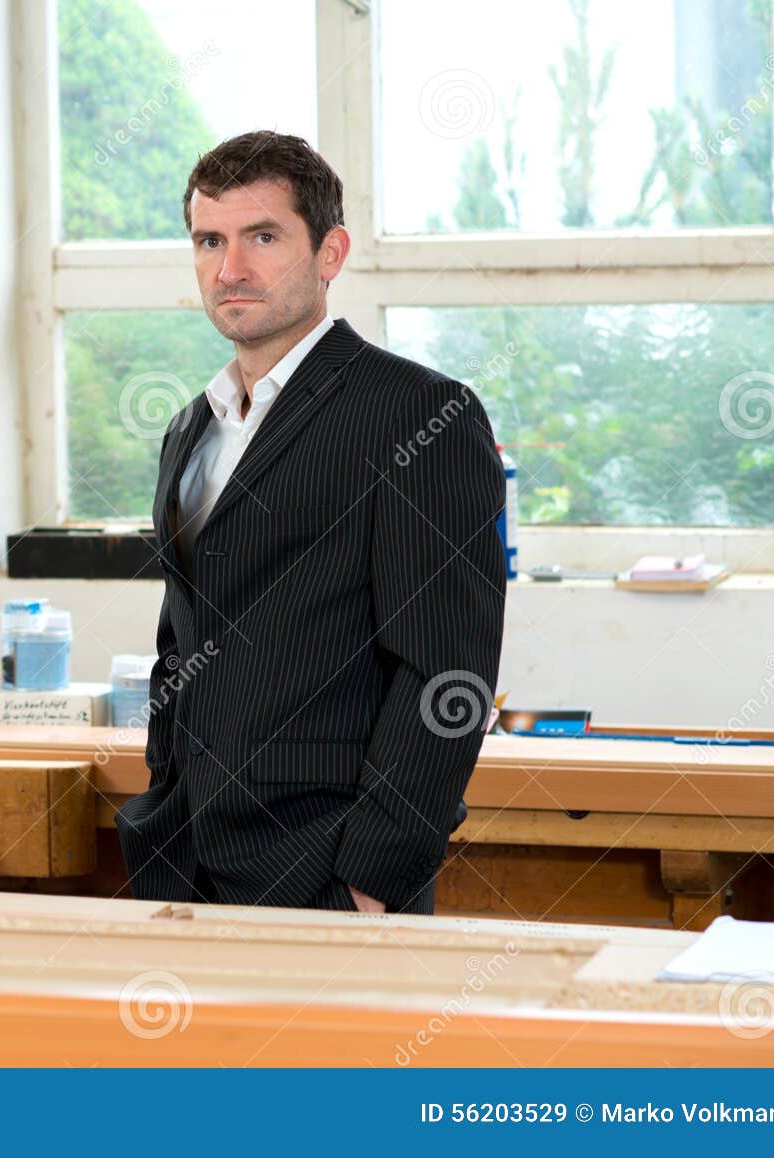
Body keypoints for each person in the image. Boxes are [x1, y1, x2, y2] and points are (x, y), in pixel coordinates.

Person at [116, 131, 506, 915]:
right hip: (183, 862)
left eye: (263, 237)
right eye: (210, 241)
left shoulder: (419, 413)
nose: (231, 269)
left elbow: (446, 672)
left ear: (330, 253)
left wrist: (371, 882)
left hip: (328, 870)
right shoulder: (192, 426)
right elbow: (180, 640)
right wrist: (164, 791)